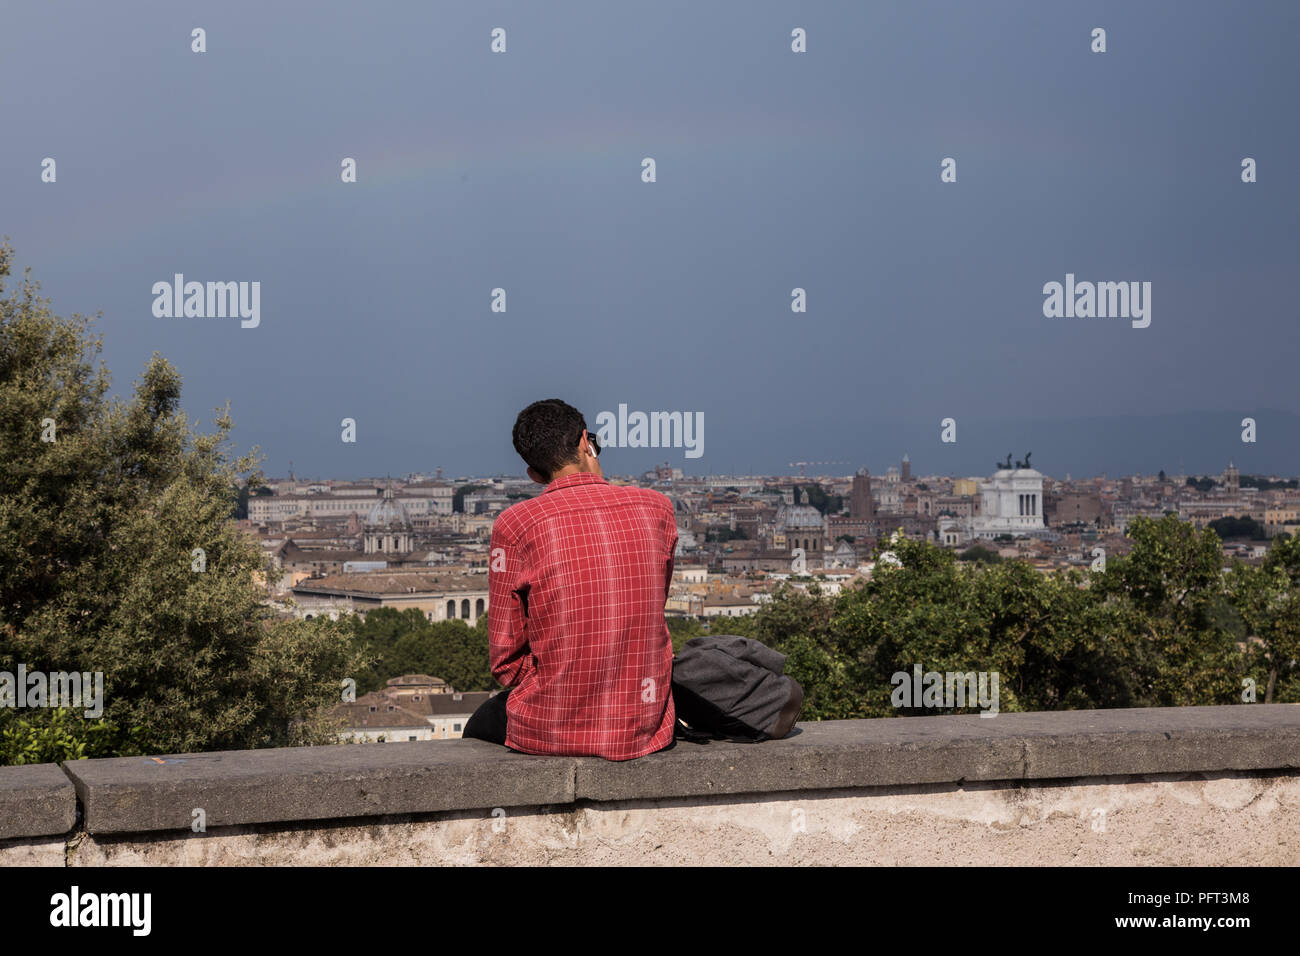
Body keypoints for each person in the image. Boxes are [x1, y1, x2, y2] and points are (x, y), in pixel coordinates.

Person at [462, 399, 678, 760]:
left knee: (479, 724)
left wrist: (555, 680)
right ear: (584, 442)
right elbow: (654, 605)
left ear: (533, 473)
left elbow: (505, 661)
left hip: (553, 727)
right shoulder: (657, 508)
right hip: (644, 726)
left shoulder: (515, 526)